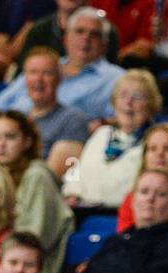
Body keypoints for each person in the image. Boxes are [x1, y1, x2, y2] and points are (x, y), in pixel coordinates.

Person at [0, 7, 125, 121]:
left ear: (104, 45)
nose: (86, 38)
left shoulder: (118, 79)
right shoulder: (43, 66)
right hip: (10, 133)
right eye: (79, 31)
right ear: (66, 39)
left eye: (94, 34)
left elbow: (120, 120)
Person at [0, 109, 74, 273]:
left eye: (10, 137)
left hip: (28, 272)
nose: (1, 144)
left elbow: (34, 239)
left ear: (27, 142)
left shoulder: (37, 176)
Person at [63, 68, 160, 210]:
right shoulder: (101, 134)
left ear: (151, 105)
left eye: (137, 96)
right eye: (123, 95)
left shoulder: (154, 142)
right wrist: (72, 192)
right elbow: (76, 170)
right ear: (114, 102)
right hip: (83, 211)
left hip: (124, 215)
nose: (128, 102)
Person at [13, 47, 90, 182]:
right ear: (24, 79)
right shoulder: (16, 118)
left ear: (59, 78)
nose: (39, 79)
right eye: (32, 72)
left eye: (47, 73)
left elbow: (53, 178)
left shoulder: (73, 119)